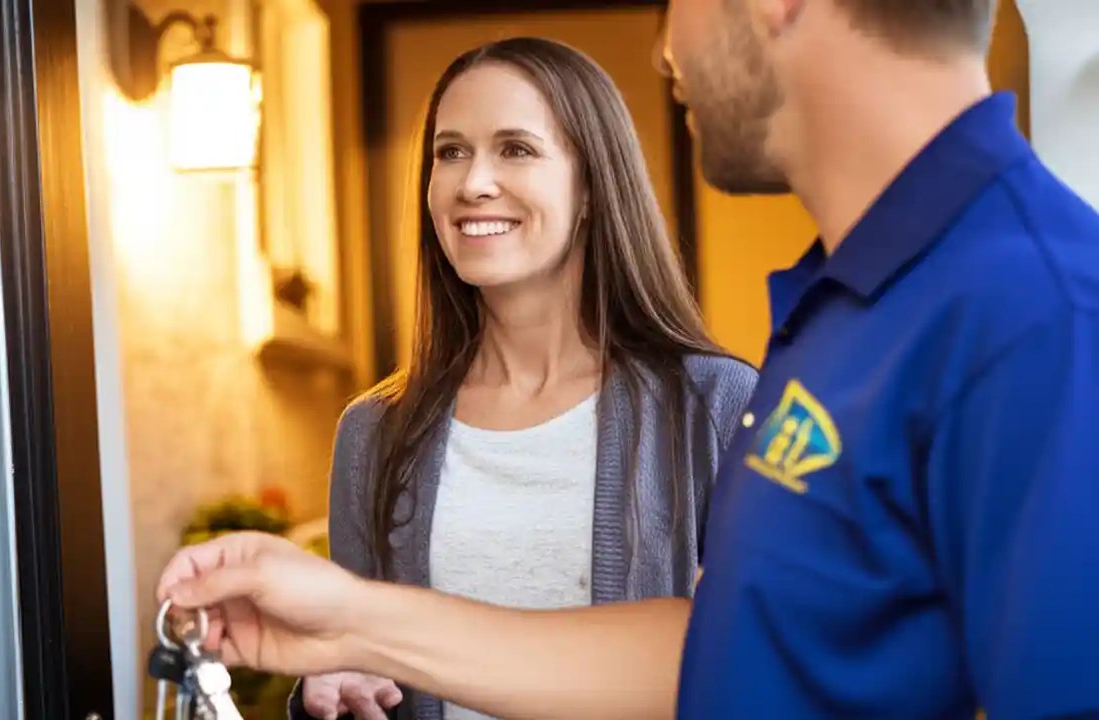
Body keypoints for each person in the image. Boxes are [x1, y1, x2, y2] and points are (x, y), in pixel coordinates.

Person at [158, 0, 1099, 717]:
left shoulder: (1041, 313)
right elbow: (720, 653)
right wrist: (347, 624)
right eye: (451, 153)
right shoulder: (841, 315)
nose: (663, 49)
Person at [286, 37, 755, 720]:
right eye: (451, 152)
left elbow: (769, 669)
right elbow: (358, 673)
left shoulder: (715, 405)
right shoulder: (375, 432)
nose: (473, 183)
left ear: (591, 187)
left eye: (516, 149)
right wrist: (329, 686)